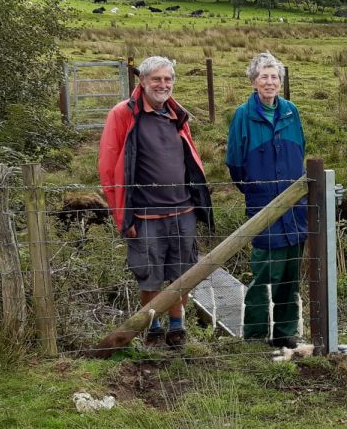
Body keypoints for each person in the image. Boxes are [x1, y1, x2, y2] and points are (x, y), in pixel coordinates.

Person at [98, 56, 211, 349]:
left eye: (167, 79)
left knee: (182, 275)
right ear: (143, 81)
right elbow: (109, 169)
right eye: (156, 79)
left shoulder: (176, 114)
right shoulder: (123, 114)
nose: (163, 85)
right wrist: (123, 217)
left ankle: (177, 326)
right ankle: (152, 327)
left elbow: (190, 159)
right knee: (149, 277)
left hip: (182, 210)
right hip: (145, 214)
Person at [225, 52, 307, 349]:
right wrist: (255, 189)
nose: (270, 82)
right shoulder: (243, 116)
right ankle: (256, 334)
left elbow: (301, 151)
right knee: (263, 272)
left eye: (274, 77)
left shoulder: (291, 112)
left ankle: (286, 331)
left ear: (281, 81)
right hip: (263, 204)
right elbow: (234, 162)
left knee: (290, 272)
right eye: (264, 76)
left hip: (295, 206)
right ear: (254, 81)